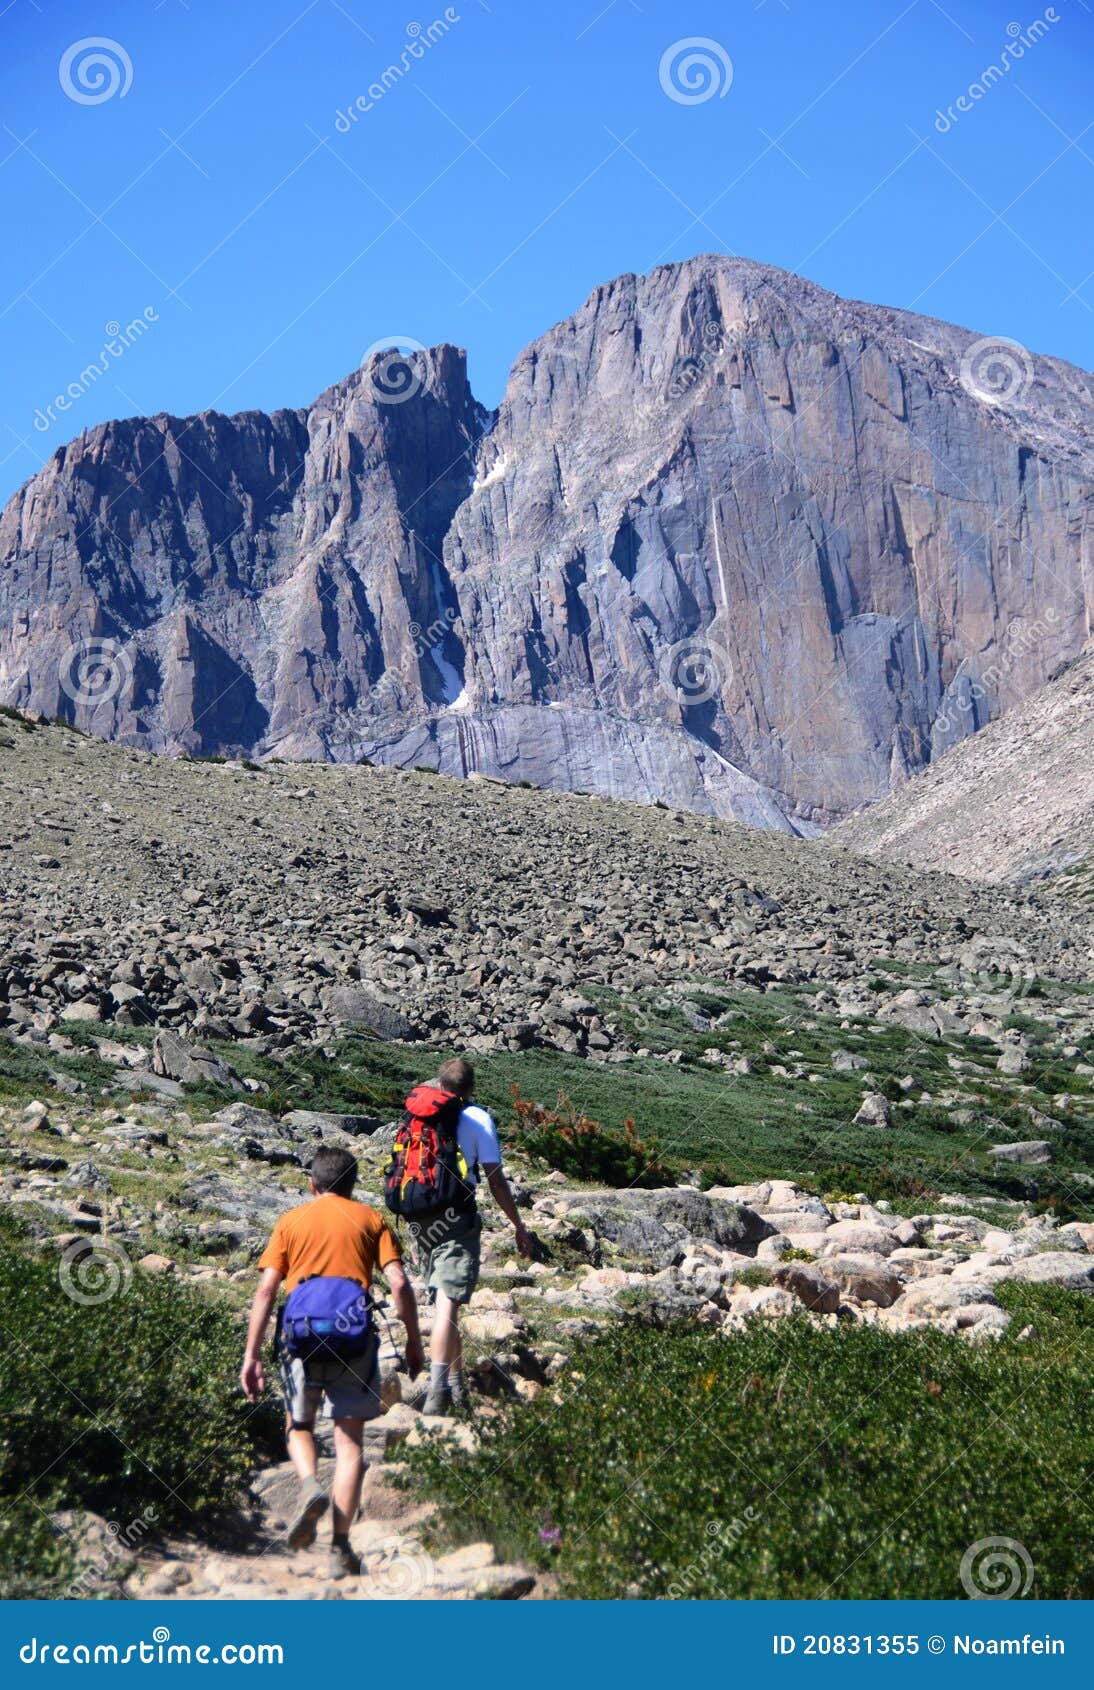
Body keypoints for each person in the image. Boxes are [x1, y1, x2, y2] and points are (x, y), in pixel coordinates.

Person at [239, 1145, 424, 1579]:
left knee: (299, 1426)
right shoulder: (371, 1220)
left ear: (312, 1183)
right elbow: (398, 1282)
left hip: (300, 1340)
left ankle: (307, 1486)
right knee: (349, 1445)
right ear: (353, 1185)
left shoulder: (290, 1221)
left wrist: (252, 1355)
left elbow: (266, 1291)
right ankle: (340, 1549)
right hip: (354, 1342)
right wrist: (414, 1342)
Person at [414, 1058, 533, 1416]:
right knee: (448, 1300)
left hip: (420, 1214)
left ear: (439, 1082)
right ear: (471, 1088)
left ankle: (456, 1384)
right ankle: (437, 1391)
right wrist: (518, 1224)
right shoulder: (479, 1119)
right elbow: (495, 1181)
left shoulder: (420, 1113)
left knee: (442, 1298)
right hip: (457, 1215)